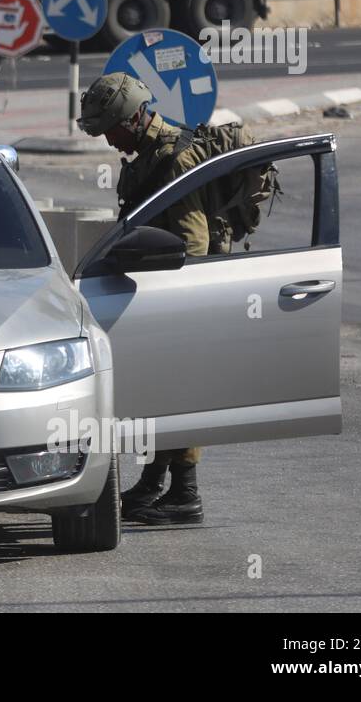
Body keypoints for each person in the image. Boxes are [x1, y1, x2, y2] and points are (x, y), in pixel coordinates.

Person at [77, 72, 224, 525]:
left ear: (135, 118)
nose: (110, 142)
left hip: (183, 297)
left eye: (113, 131)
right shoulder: (147, 154)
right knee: (159, 392)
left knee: (178, 393)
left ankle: (185, 493)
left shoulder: (174, 160)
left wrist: (166, 292)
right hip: (158, 293)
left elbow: (193, 244)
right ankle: (152, 483)